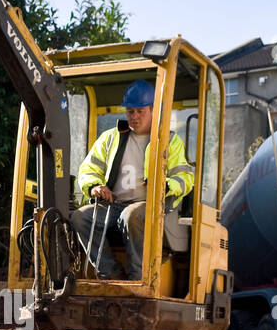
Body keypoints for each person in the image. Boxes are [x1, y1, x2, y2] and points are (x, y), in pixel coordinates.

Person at [71, 79, 194, 280]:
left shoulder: (170, 141)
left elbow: (185, 178)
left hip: (150, 205)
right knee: (80, 217)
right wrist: (94, 186)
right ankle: (110, 272)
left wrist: (165, 185)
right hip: (114, 204)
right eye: (130, 111)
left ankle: (139, 277)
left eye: (140, 111)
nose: (134, 117)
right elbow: (88, 168)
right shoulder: (110, 138)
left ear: (153, 110)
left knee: (132, 215)